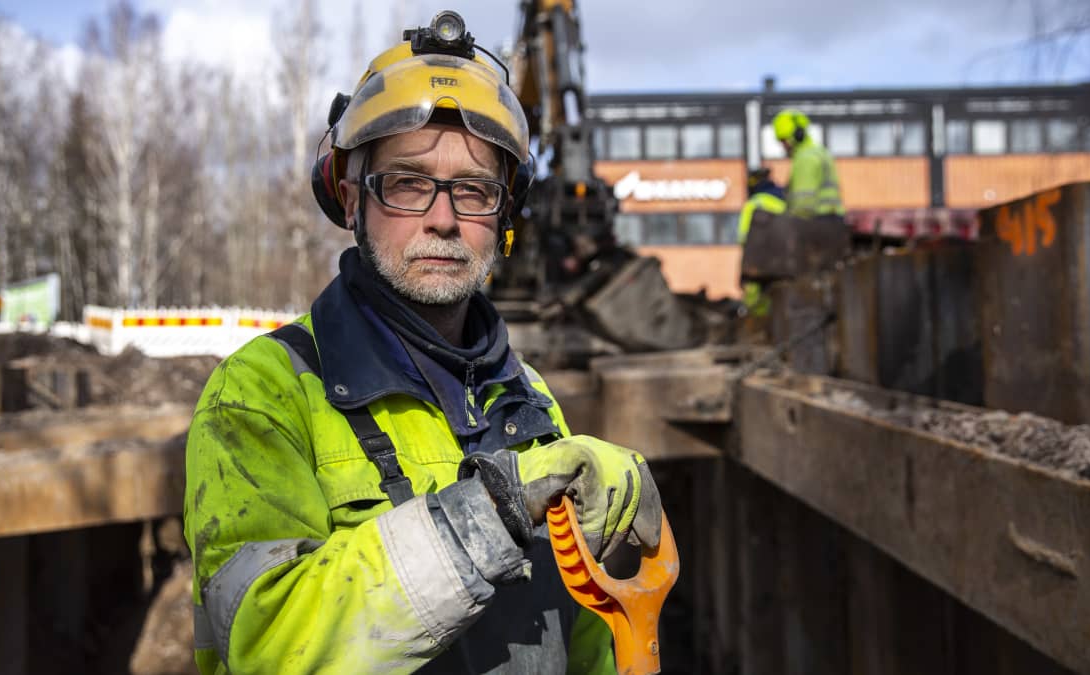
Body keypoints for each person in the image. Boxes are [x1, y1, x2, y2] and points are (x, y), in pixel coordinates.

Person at [183, 12, 663, 675]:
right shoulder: (261, 396)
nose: (443, 218)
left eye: (472, 190)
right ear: (350, 198)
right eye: (409, 183)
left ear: (502, 216)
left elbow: (582, 638)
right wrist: (491, 512)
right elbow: (267, 644)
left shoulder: (530, 399)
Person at [772, 109, 844, 221]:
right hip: (832, 221)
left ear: (797, 136)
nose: (783, 146)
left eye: (784, 140)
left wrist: (787, 222)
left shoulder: (805, 158)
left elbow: (804, 205)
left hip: (818, 223)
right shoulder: (820, 152)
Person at [735, 167, 786, 316]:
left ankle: (753, 322)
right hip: (784, 261)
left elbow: (743, 237)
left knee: (754, 295)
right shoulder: (785, 201)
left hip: (759, 261)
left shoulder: (754, 204)